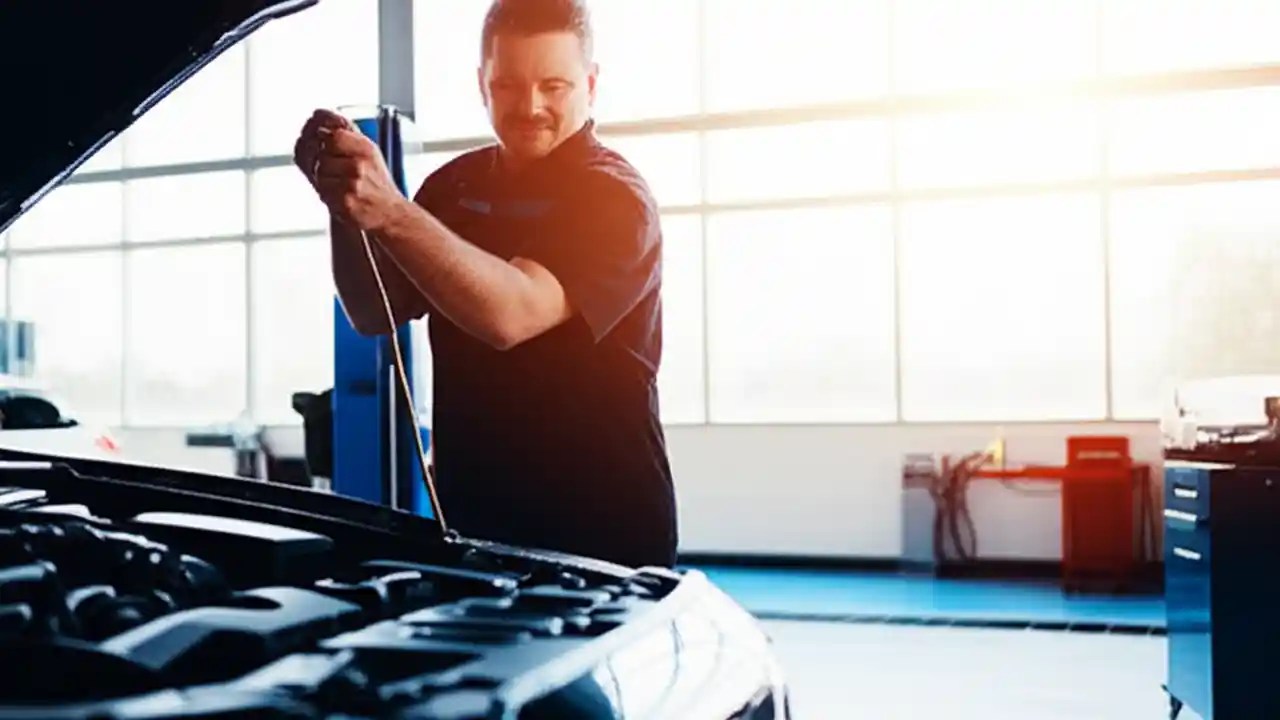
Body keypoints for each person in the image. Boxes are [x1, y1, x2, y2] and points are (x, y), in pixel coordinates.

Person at [291, 0, 677, 568]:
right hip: (477, 523)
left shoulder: (615, 198)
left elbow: (511, 315)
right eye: (507, 85)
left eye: (553, 86)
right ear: (481, 85)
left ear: (591, 84)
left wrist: (391, 211)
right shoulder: (451, 187)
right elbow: (373, 311)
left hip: (603, 530)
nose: (530, 106)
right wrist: (343, 201)